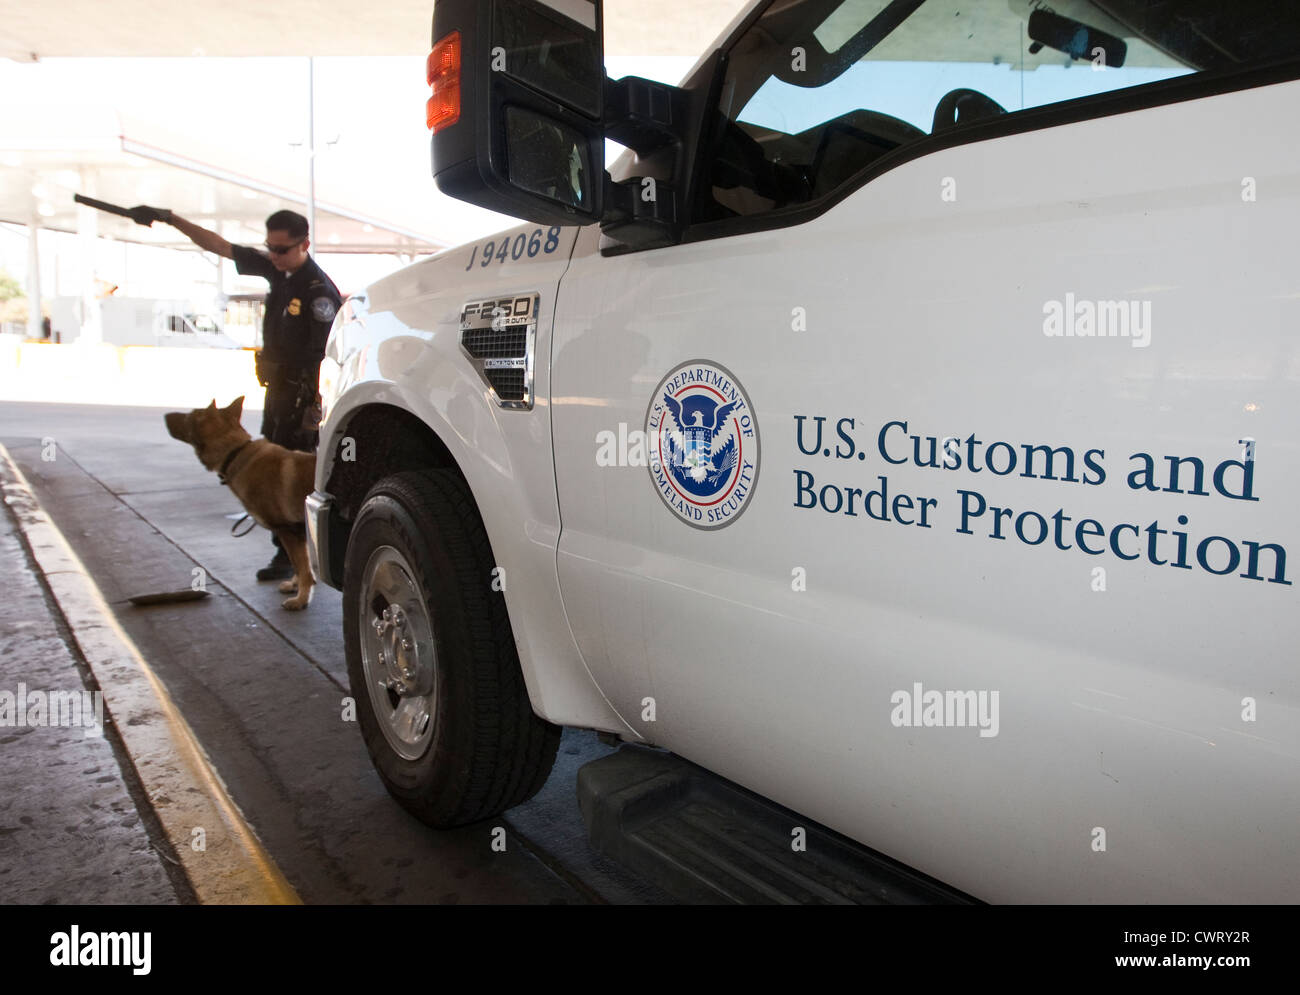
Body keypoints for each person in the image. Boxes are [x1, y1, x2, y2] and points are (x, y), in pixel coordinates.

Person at [134, 206, 342, 582]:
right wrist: (171, 218)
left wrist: (313, 408)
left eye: (282, 250)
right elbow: (220, 246)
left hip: (303, 397)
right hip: (278, 391)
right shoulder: (278, 271)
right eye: (270, 248)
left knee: (294, 480)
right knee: (267, 471)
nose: (274, 257)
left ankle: (298, 558)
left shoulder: (318, 290)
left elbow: (325, 355)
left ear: (304, 244)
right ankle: (294, 558)